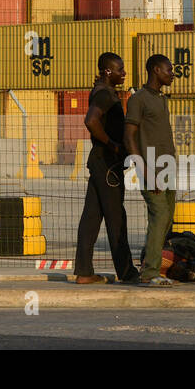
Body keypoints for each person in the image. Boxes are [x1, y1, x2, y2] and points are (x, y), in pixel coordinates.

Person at [74, 52, 138, 284]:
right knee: (116, 218)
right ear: (108, 72)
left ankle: (83, 272)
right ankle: (128, 272)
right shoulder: (104, 94)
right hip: (107, 163)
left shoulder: (103, 91)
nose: (124, 73)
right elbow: (91, 120)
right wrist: (113, 144)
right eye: (120, 69)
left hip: (100, 162)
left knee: (91, 217)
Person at [125, 54, 177, 287]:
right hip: (150, 169)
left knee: (166, 220)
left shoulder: (161, 98)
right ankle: (149, 273)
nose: (172, 73)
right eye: (168, 70)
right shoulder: (139, 99)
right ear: (156, 70)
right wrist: (142, 167)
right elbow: (130, 135)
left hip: (168, 167)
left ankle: (151, 265)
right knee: (160, 215)